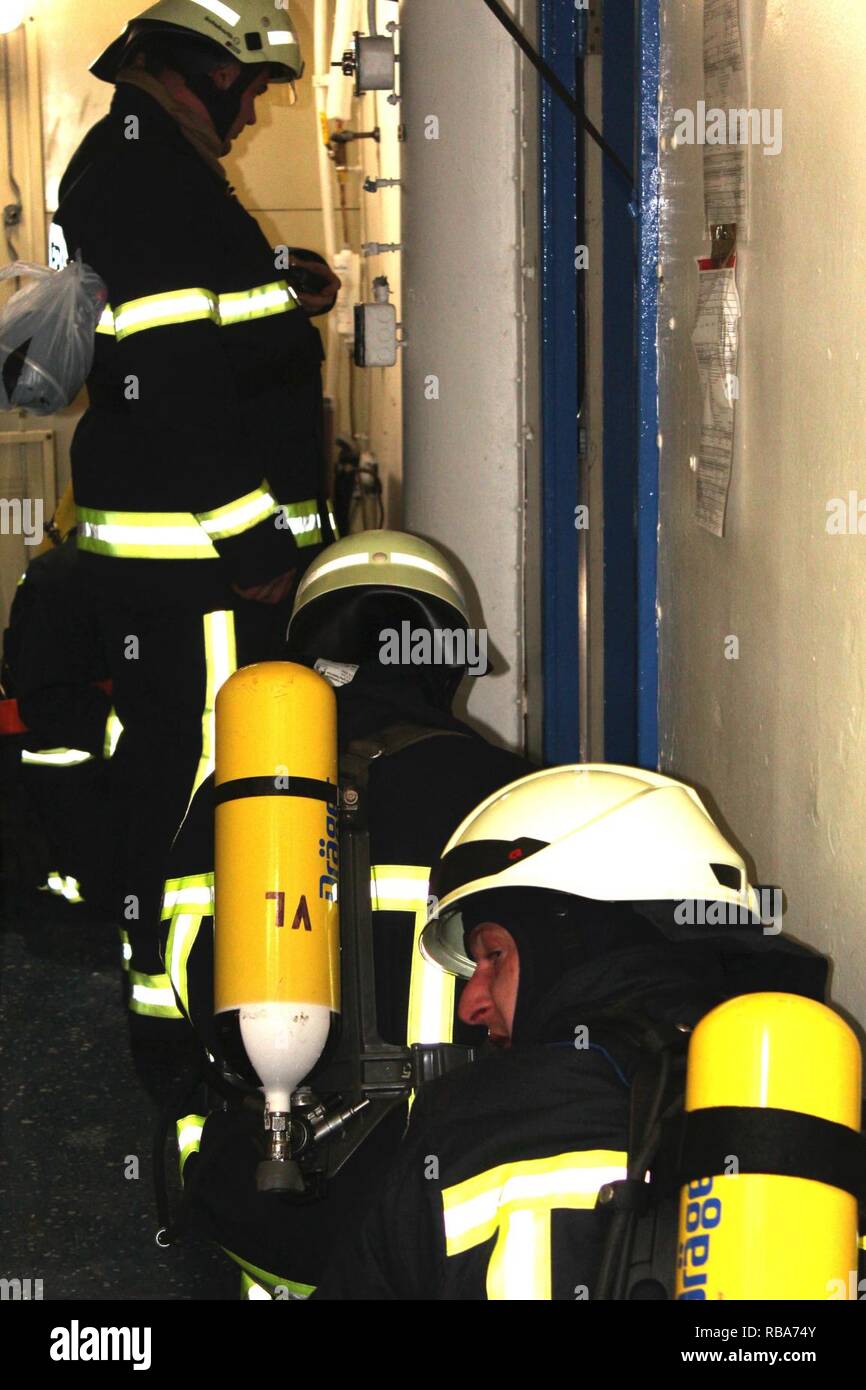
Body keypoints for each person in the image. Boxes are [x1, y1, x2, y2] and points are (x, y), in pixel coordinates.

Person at [49, 2, 340, 1044]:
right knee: (208, 775)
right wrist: (255, 542)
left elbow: (195, 322)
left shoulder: (144, 160)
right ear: (203, 70)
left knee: (166, 754)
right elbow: (172, 379)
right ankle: (196, 1026)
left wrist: (276, 283)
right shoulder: (148, 173)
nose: (257, 107)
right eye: (251, 84)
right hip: (203, 567)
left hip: (179, 566)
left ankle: (172, 991)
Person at [160, 529, 537, 1296]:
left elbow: (162, 1007)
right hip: (445, 1223)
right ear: (445, 664)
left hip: (266, 1210)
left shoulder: (228, 804)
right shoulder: (510, 798)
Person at [312, 764, 831, 1300]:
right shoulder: (806, 1084)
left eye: (494, 955)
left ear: (576, 938)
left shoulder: (484, 1117)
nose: (471, 1003)